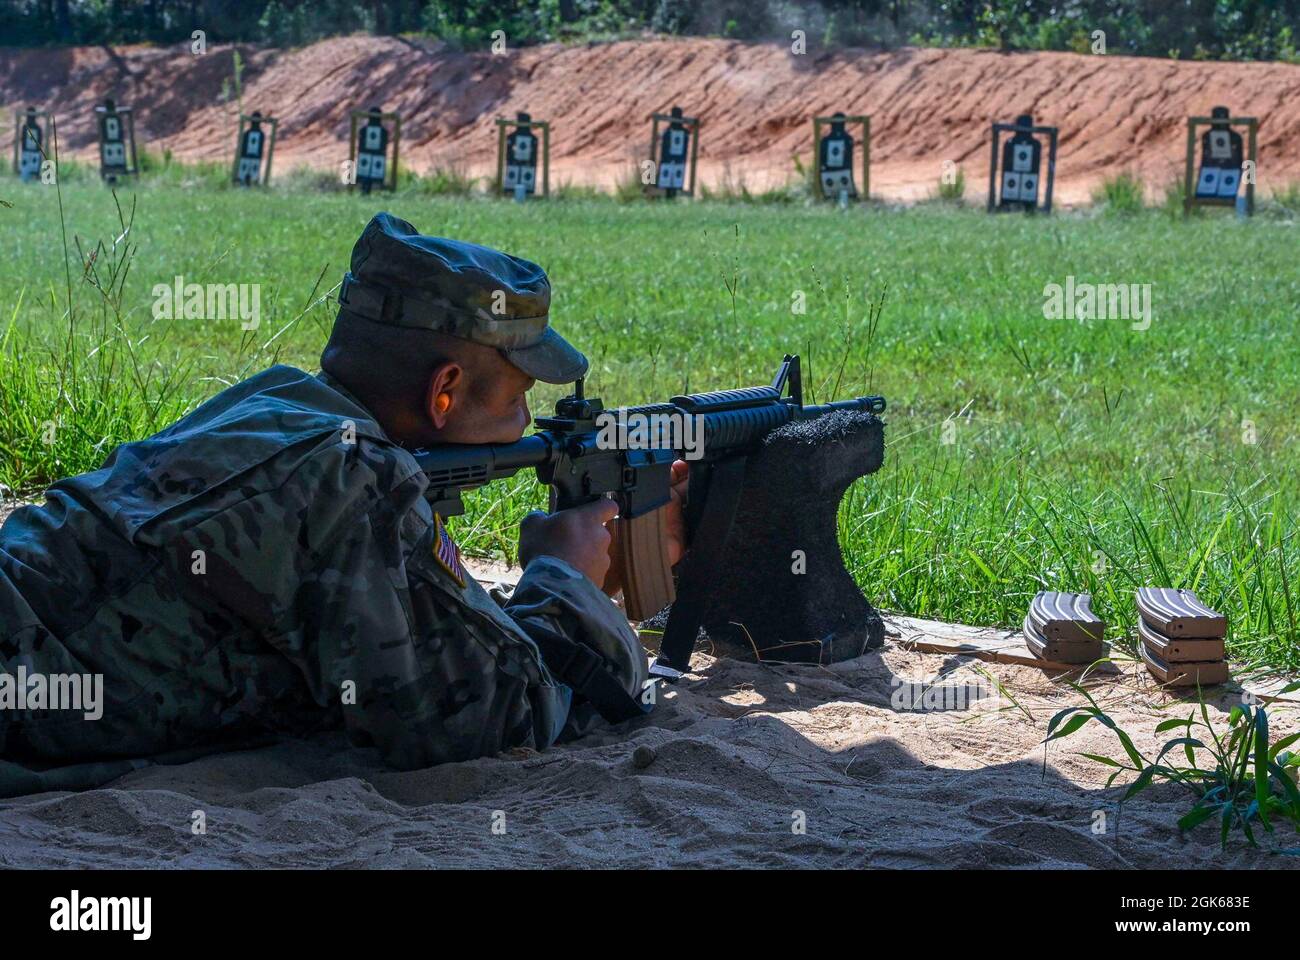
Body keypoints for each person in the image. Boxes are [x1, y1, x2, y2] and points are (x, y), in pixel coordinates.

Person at [0, 212, 685, 797]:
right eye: (516, 397)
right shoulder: (355, 479)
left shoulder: (277, 404)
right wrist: (566, 575)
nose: (525, 419)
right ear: (443, 391)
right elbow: (494, 718)